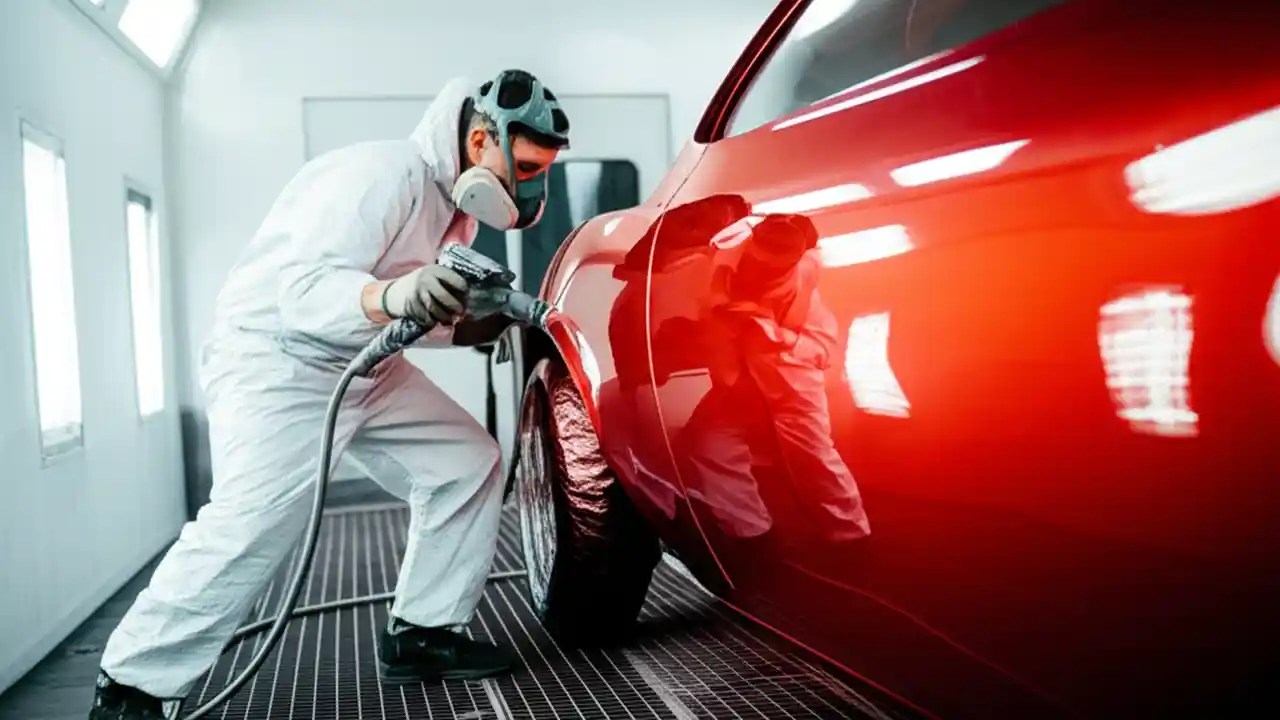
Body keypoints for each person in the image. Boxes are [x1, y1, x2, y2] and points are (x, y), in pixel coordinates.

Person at [88, 70, 570, 720]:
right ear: (482, 137)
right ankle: (132, 689)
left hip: (366, 368)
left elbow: (414, 313)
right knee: (252, 523)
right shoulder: (384, 173)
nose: (535, 182)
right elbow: (305, 293)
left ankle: (422, 634)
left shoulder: (456, 215)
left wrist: (474, 319)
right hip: (278, 364)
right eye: (530, 164)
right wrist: (398, 295)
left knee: (468, 463)